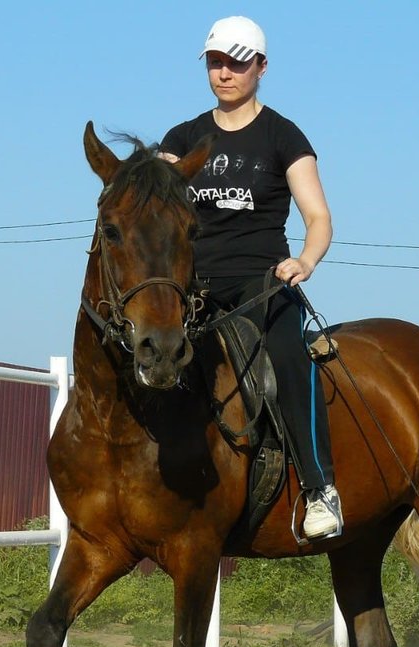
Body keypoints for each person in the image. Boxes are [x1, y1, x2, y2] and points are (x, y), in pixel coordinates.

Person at [158, 16, 341, 539]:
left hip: (262, 282)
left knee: (290, 356)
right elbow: (160, 201)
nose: (224, 73)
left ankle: (320, 489)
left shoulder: (283, 135)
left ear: (261, 67)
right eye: (215, 62)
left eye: (236, 63)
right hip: (195, 288)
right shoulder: (184, 136)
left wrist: (304, 260)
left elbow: (319, 218)